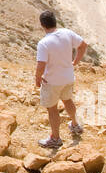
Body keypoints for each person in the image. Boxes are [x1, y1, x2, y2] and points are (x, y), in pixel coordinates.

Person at [34, 11, 86, 149]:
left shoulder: (44, 43)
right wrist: (75, 62)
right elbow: (83, 46)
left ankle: (55, 139)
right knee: (68, 100)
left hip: (52, 81)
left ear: (42, 25)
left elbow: (41, 65)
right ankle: (75, 125)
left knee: (52, 109)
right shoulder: (67, 33)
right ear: (55, 21)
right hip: (68, 77)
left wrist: (37, 78)